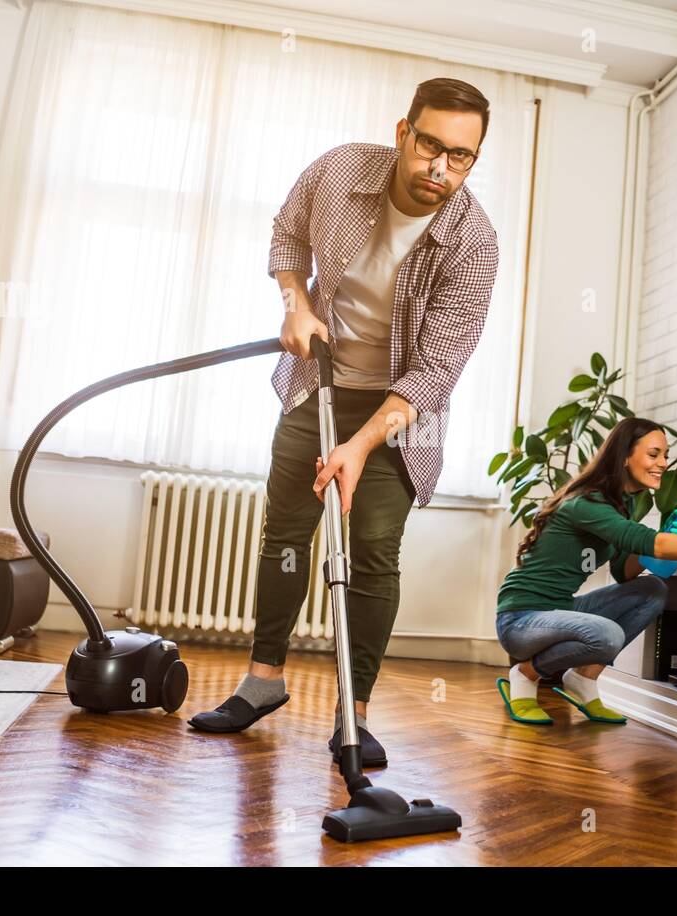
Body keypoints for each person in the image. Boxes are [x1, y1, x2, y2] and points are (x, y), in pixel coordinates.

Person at [189, 78, 500, 771]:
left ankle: (352, 714)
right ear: (403, 132)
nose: (440, 168)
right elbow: (288, 232)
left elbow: (435, 371)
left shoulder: (474, 243)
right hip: (318, 384)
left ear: (473, 159)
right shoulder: (339, 173)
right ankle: (263, 682)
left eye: (460, 156)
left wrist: (359, 446)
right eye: (429, 145)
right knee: (285, 535)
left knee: (373, 553)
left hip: (402, 412)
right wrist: (295, 304)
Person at [493, 418, 677, 725]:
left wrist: (664, 536)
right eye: (654, 454)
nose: (663, 463)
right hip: (521, 620)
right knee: (607, 635)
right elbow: (656, 544)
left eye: (665, 455)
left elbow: (624, 572)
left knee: (652, 590)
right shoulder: (587, 502)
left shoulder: (620, 504)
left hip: (561, 610)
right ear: (624, 456)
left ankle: (583, 678)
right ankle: (526, 674)